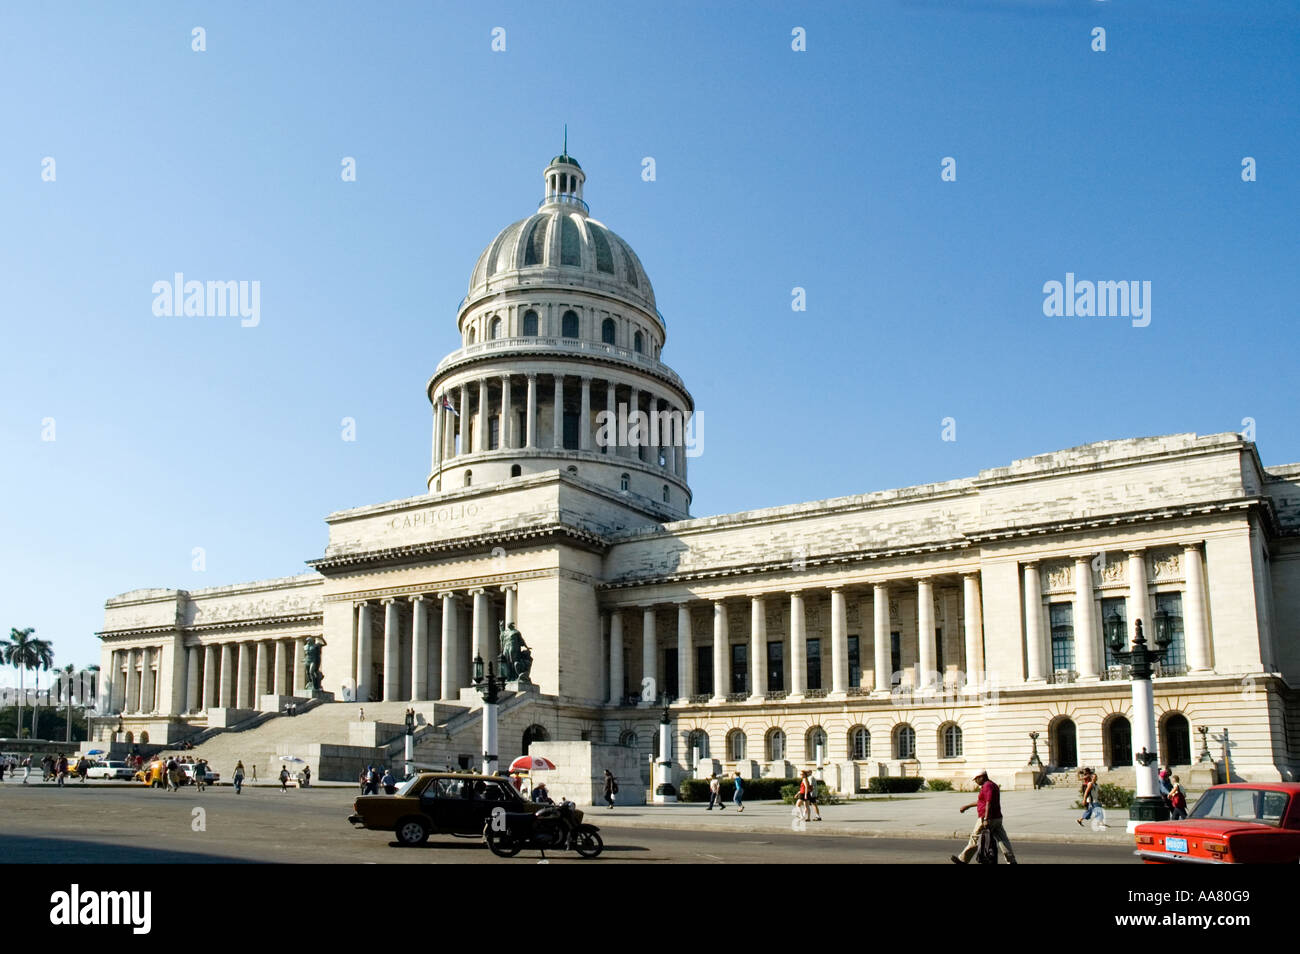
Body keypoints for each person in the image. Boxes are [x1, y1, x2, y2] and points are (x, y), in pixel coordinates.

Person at [952, 770, 1017, 864]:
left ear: (981, 777)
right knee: (1003, 840)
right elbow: (982, 801)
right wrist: (968, 806)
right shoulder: (992, 784)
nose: (976, 781)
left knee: (974, 838)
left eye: (976, 779)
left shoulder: (987, 786)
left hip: (986, 818)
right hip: (997, 818)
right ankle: (1012, 861)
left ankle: (963, 860)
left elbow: (988, 802)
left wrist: (986, 819)